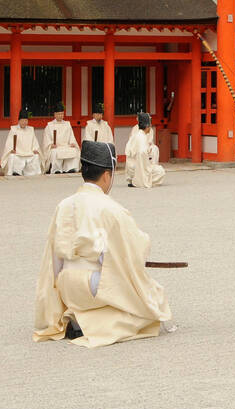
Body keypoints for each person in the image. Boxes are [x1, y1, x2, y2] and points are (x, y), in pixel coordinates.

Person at [33, 140, 174, 348]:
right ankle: (92, 324)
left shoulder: (64, 205)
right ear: (107, 175)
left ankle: (75, 316)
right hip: (94, 285)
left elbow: (53, 257)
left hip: (67, 284)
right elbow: (133, 245)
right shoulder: (110, 208)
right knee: (151, 305)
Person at [124, 110, 164, 189]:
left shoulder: (139, 134)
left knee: (155, 148)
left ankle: (135, 179)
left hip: (134, 164)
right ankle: (138, 180)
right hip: (136, 166)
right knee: (160, 171)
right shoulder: (140, 136)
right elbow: (142, 153)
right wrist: (148, 165)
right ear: (147, 126)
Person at [1, 109, 43, 177]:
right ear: (19, 120)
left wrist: (35, 149)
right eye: (22, 120)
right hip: (18, 152)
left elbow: (34, 142)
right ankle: (15, 172)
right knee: (12, 156)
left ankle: (34, 173)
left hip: (29, 152)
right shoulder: (13, 129)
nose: (24, 122)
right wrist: (11, 149)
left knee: (36, 156)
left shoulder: (31, 129)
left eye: (26, 120)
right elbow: (9, 143)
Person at [42, 103, 80, 174]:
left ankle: (70, 168)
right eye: (59, 114)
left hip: (66, 145)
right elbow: (46, 139)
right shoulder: (50, 126)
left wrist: (72, 143)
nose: (60, 116)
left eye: (62, 114)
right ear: (55, 114)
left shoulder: (67, 124)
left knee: (74, 150)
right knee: (55, 152)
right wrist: (50, 145)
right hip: (56, 147)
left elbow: (71, 136)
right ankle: (56, 169)